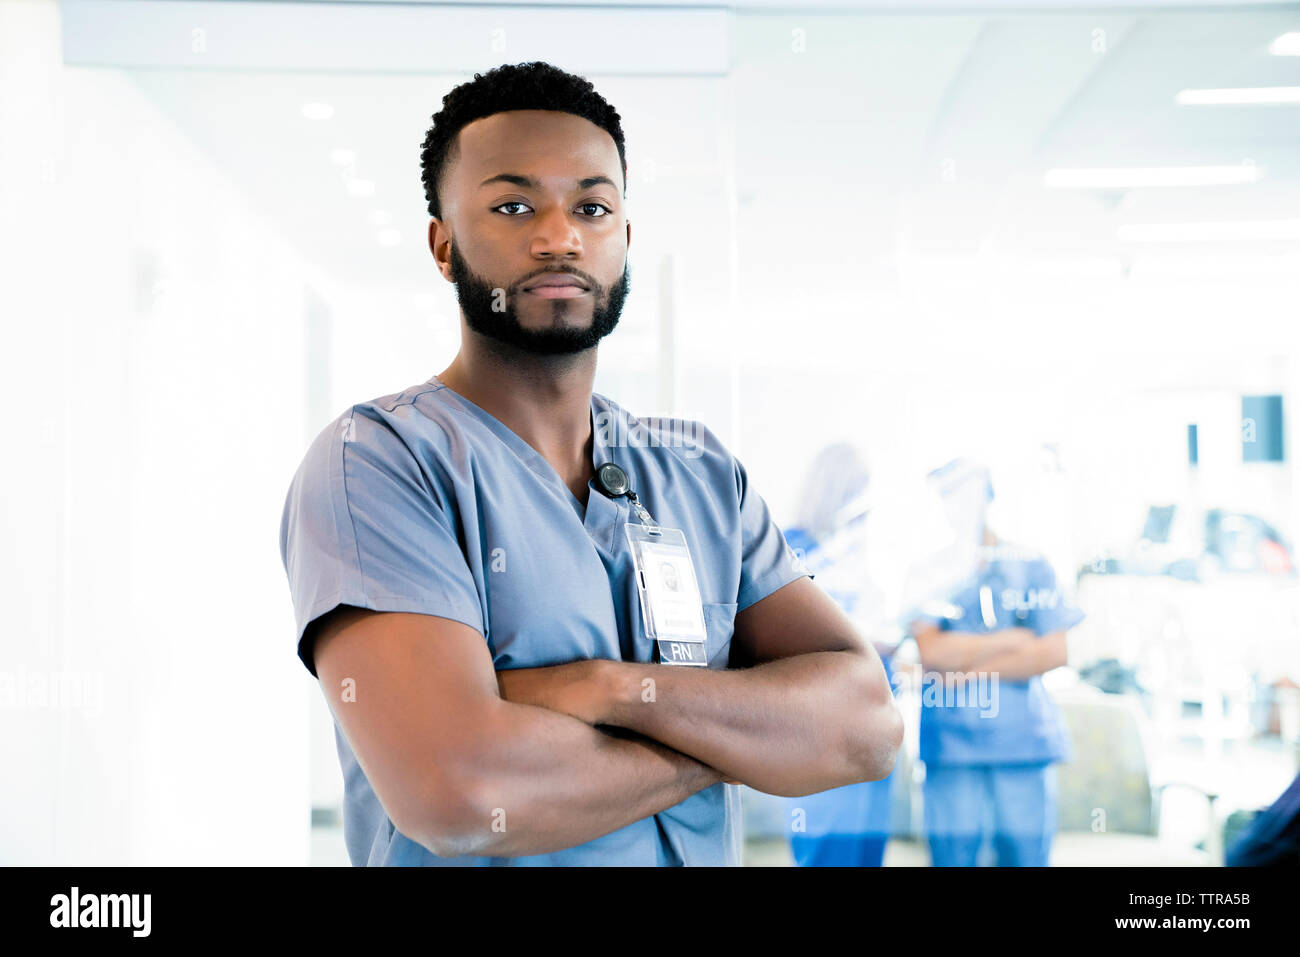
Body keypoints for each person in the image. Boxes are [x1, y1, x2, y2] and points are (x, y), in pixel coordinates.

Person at [278, 61, 902, 866]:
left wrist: (608, 688)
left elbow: (866, 725)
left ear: (625, 238)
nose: (559, 236)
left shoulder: (700, 472)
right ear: (444, 244)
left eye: (592, 207)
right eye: (512, 205)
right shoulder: (380, 465)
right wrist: (746, 737)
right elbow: (462, 792)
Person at [902, 458, 1082, 867]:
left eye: (967, 491)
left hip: (1020, 744)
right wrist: (1012, 639)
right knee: (953, 860)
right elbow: (933, 653)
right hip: (951, 747)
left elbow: (1054, 652)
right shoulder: (928, 573)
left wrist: (965, 671)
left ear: (989, 495)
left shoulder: (1031, 565)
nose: (959, 503)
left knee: (1024, 859)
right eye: (949, 494)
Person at [781, 444, 901, 867]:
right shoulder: (791, 549)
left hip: (872, 718)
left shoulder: (861, 555)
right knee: (828, 846)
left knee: (867, 845)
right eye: (857, 490)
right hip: (823, 723)